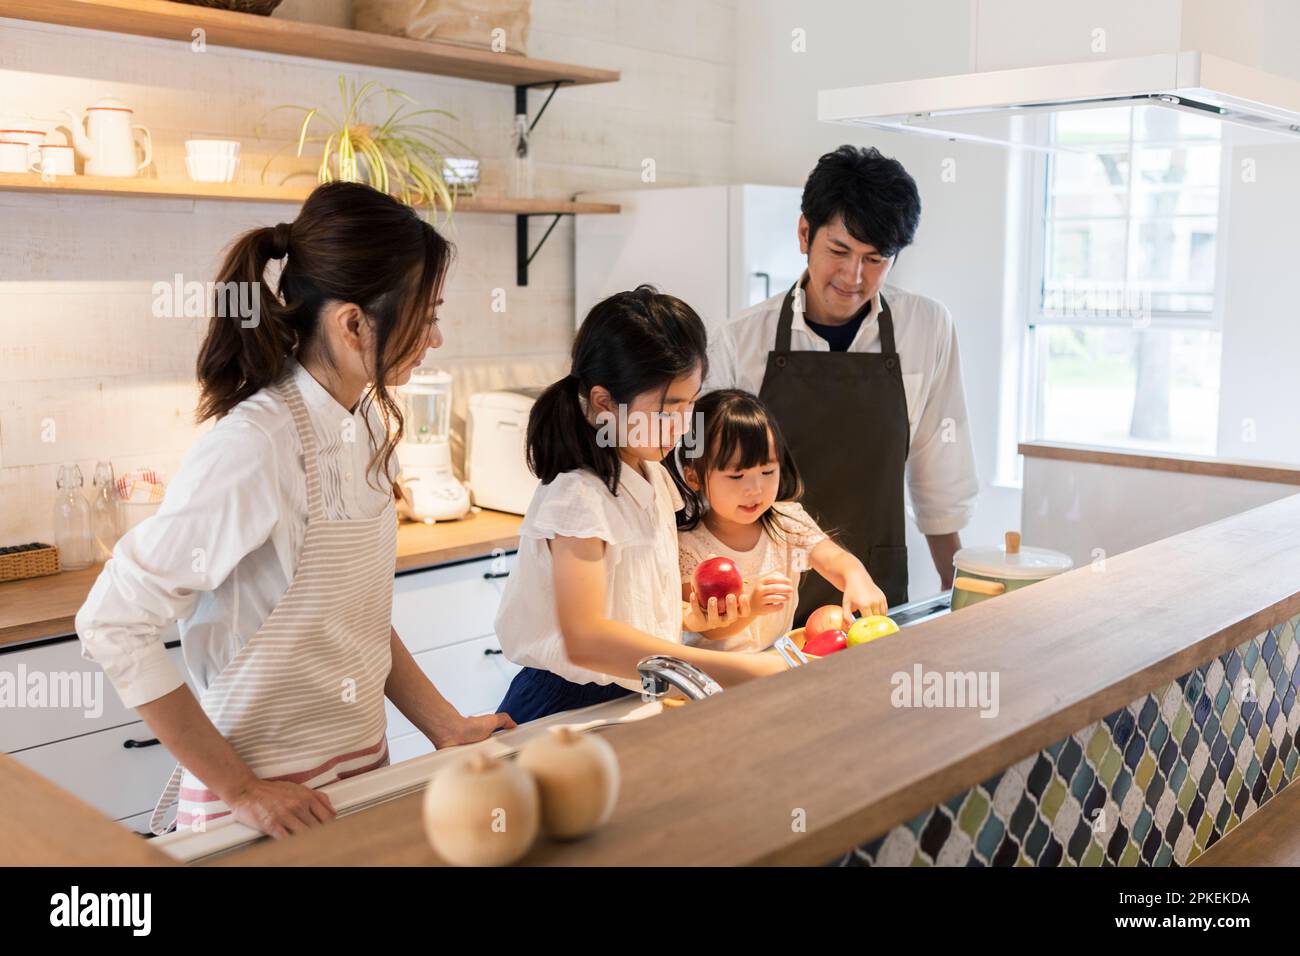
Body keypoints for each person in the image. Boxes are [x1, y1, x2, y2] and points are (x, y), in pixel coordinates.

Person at [76, 181, 513, 838]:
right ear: (353, 324)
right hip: (257, 816)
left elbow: (356, 619)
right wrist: (243, 788)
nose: (436, 337)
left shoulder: (367, 428)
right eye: (425, 317)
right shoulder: (254, 448)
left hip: (358, 780)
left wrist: (445, 727)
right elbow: (112, 621)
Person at [706, 145, 979, 622]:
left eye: (876, 258)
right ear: (804, 233)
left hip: (875, 591)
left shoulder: (926, 326)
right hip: (765, 596)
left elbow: (940, 471)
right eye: (839, 251)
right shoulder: (739, 340)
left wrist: (954, 591)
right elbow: (710, 486)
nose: (854, 277)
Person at [494, 286, 788, 723]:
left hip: (636, 691)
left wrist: (694, 617)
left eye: (690, 406)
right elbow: (587, 639)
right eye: (668, 410)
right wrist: (733, 669)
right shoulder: (579, 497)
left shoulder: (649, 471)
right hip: (565, 707)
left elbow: (636, 604)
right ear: (604, 403)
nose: (683, 426)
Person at [674, 389, 886, 653]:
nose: (755, 488)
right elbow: (710, 628)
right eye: (736, 476)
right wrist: (750, 607)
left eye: (767, 471)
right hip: (713, 675)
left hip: (775, 664)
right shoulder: (688, 546)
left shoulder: (787, 521)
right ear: (693, 477)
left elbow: (834, 559)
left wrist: (856, 576)